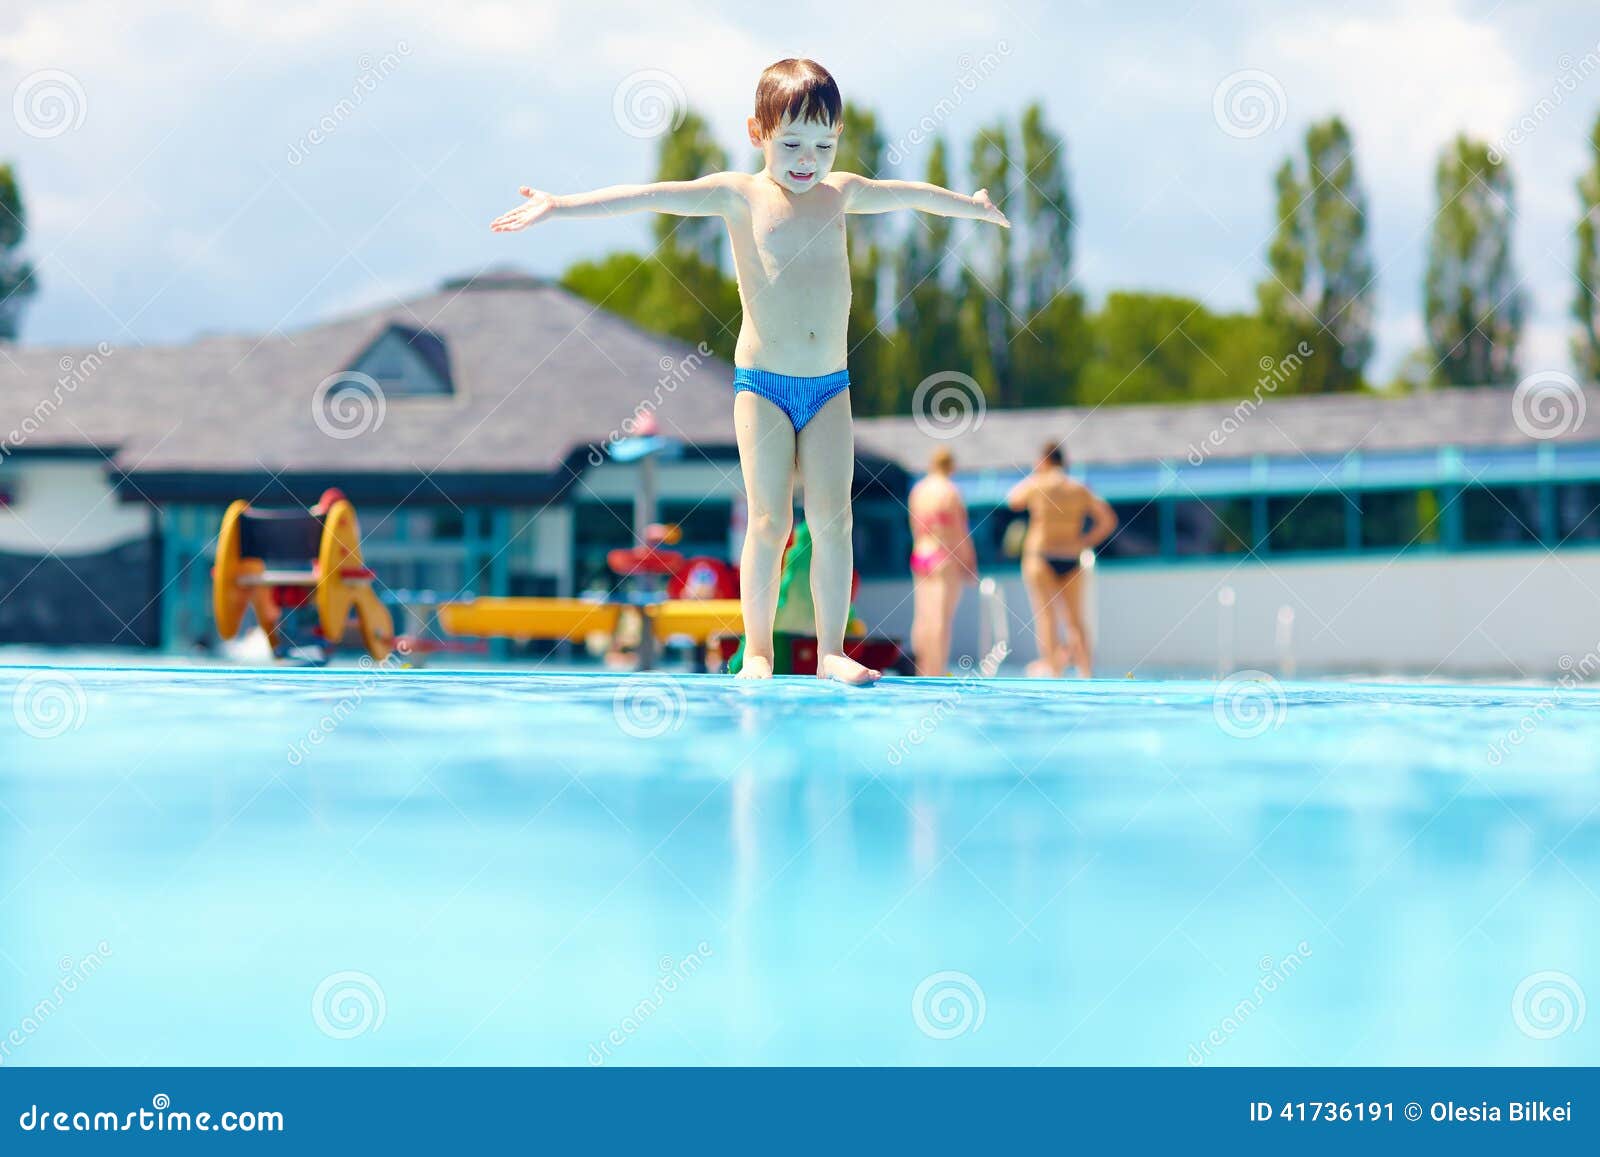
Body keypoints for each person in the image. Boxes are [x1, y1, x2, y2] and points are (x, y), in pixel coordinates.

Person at [491, 58, 1009, 683]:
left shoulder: (838, 193)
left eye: (822, 144)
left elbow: (909, 196)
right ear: (756, 132)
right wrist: (561, 205)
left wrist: (973, 207)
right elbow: (650, 197)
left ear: (837, 139)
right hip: (761, 385)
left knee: (833, 519)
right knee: (770, 520)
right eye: (790, 143)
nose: (805, 158)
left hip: (829, 387)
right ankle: (758, 651)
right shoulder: (739, 195)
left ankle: (830, 654)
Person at [1005, 441, 1117, 678]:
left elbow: (1012, 500)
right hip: (1070, 554)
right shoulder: (1077, 488)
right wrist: (1085, 541)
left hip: (1041, 555)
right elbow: (1108, 520)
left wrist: (1036, 474)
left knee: (1046, 617)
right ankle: (1086, 672)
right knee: (1075, 619)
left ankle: (1054, 671)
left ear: (1044, 460)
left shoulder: (1037, 484)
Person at [907, 447, 976, 676]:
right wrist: (969, 563)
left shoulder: (918, 490)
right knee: (941, 619)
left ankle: (922, 670)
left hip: (921, 554)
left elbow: (915, 528)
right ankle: (937, 671)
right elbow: (960, 531)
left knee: (922, 617)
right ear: (951, 467)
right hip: (943, 555)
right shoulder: (950, 491)